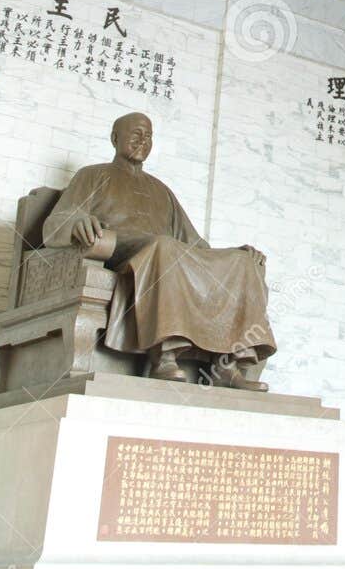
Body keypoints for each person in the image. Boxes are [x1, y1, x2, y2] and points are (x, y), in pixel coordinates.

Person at [43, 111, 276, 388]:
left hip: (164, 254)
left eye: (148, 136)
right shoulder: (92, 176)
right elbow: (57, 221)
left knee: (241, 261)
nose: (143, 140)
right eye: (136, 133)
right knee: (164, 246)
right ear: (115, 138)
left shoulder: (161, 190)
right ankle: (164, 356)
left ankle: (230, 364)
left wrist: (234, 253)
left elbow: (195, 244)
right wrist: (77, 223)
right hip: (121, 250)